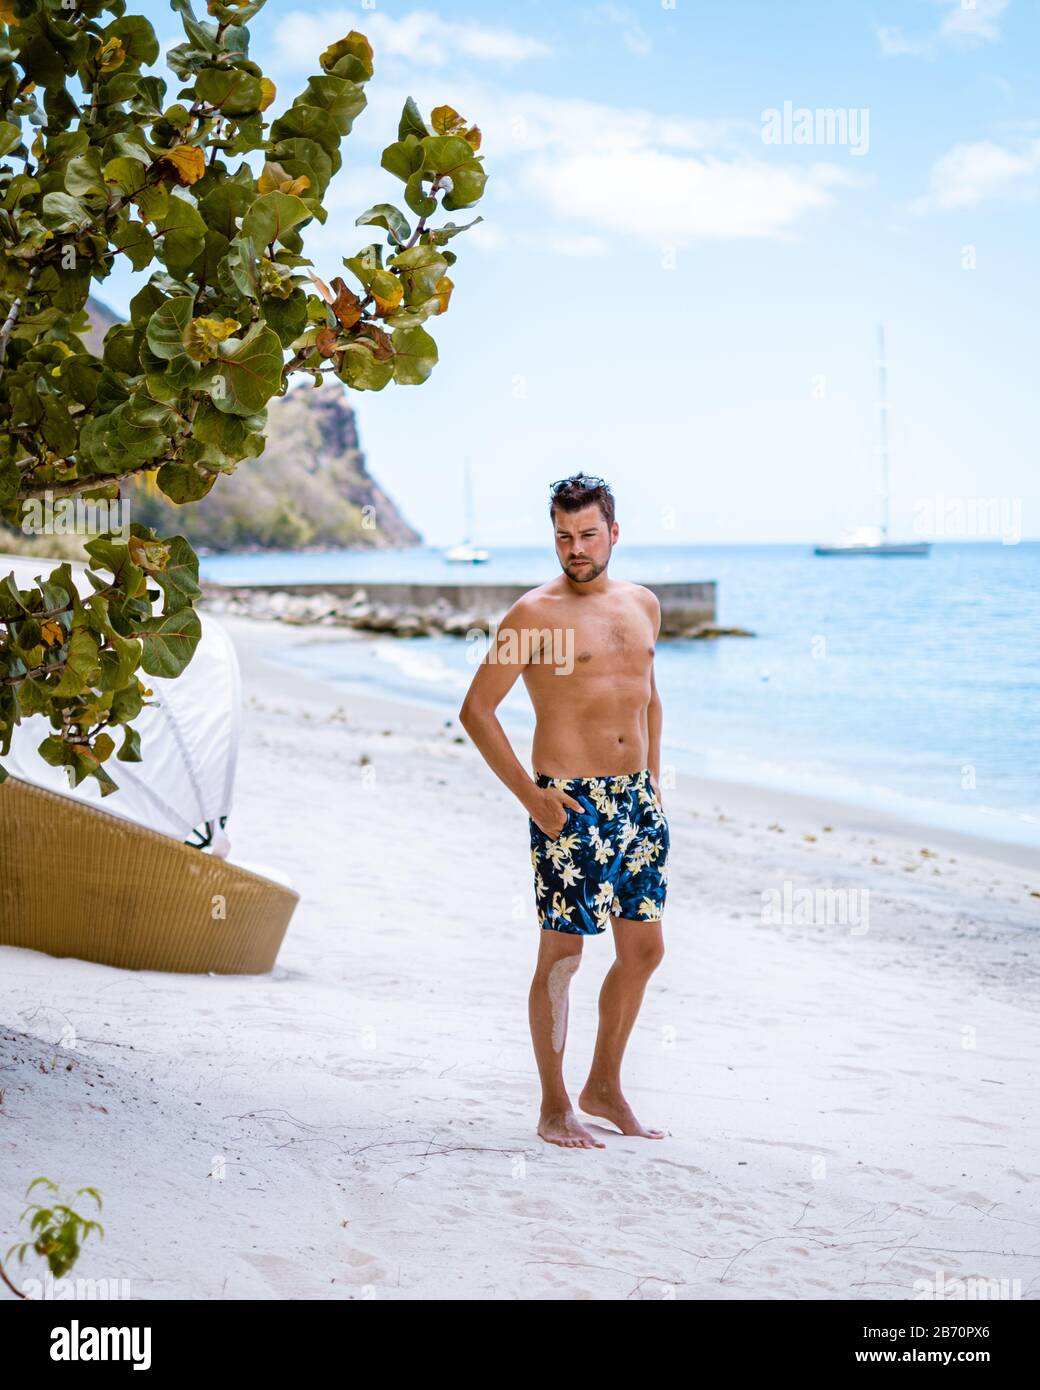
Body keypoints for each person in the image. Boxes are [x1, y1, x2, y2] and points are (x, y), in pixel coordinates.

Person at [458, 474, 670, 1149]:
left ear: (614, 532)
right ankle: (554, 1106)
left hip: (636, 802)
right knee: (563, 958)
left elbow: (649, 698)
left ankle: (603, 1086)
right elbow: (477, 710)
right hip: (570, 805)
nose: (574, 549)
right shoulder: (534, 616)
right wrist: (533, 797)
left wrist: (655, 786)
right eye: (562, 536)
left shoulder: (643, 605)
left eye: (586, 534)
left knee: (644, 949)